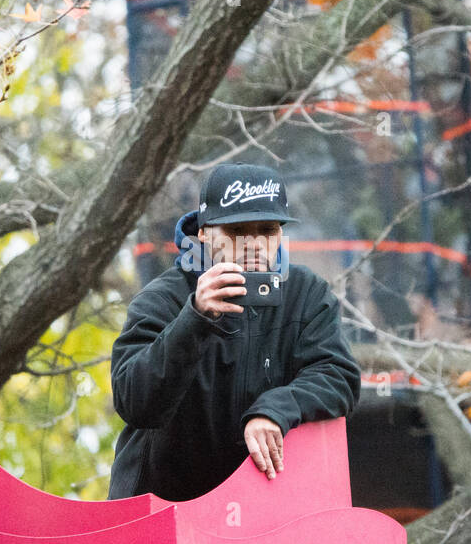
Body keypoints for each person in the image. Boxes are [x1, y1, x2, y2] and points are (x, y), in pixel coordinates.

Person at [108, 162, 362, 501]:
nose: (254, 244)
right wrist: (194, 319)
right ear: (204, 232)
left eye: (267, 229)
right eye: (237, 230)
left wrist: (275, 410)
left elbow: (339, 375)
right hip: (164, 508)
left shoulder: (307, 293)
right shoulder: (161, 297)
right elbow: (134, 401)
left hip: (260, 508)